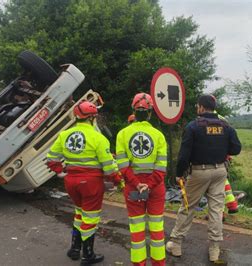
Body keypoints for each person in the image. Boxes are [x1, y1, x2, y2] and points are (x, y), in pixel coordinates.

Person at [166, 94, 242, 262]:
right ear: (214, 107)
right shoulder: (226, 126)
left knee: (188, 207)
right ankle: (214, 250)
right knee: (216, 210)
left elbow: (184, 155)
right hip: (220, 172)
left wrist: (179, 173)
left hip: (199, 172)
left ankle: (176, 244)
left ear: (200, 107)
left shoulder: (193, 126)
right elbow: (236, 149)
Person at [46, 100, 119, 265]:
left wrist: (60, 171)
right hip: (91, 183)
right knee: (90, 218)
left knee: (79, 213)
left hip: (71, 181)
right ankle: (88, 255)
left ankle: (74, 249)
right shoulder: (98, 138)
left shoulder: (64, 135)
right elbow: (108, 167)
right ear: (92, 118)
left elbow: (51, 158)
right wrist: (117, 180)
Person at [115, 92, 167, 266]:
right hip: (156, 188)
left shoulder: (122, 134)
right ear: (151, 112)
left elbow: (122, 167)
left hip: (133, 188)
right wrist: (149, 185)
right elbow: (161, 168)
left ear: (133, 111)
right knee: (156, 229)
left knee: (136, 230)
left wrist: (138, 185)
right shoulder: (159, 136)